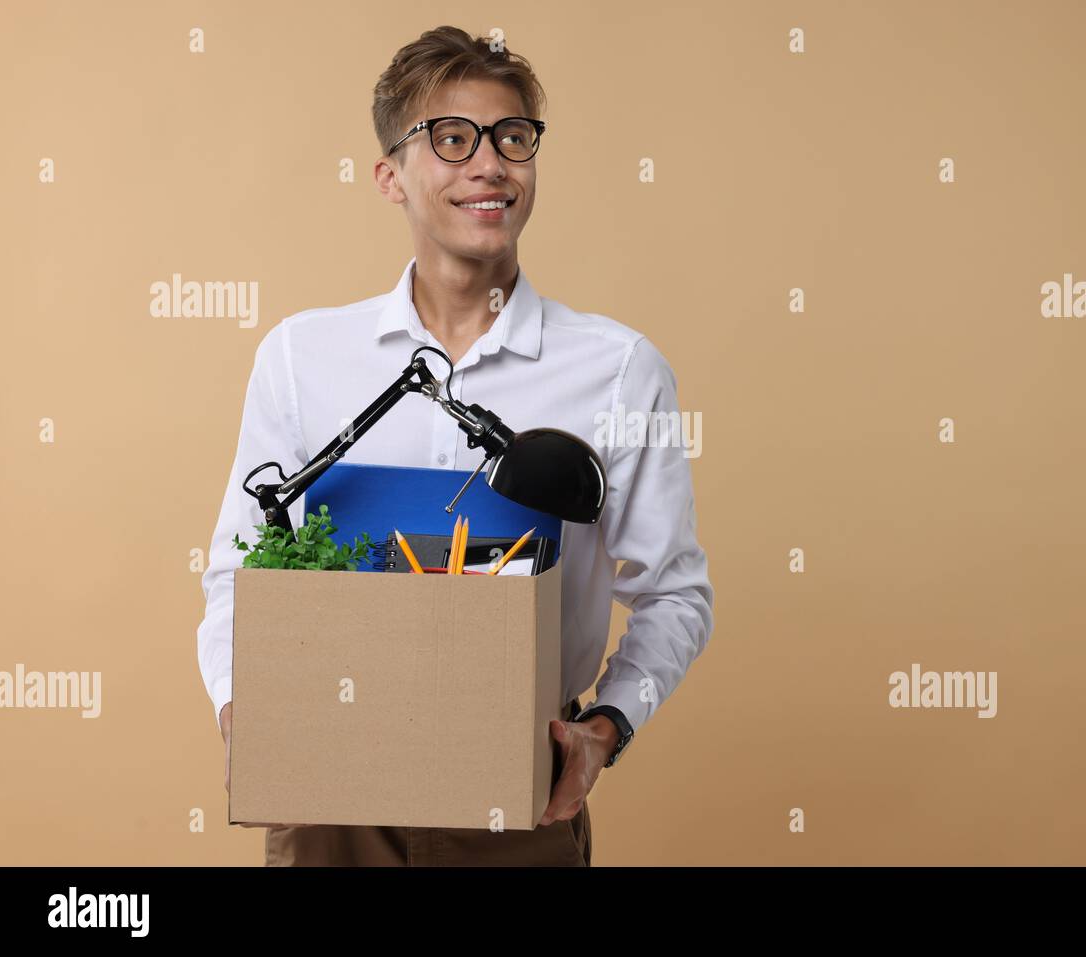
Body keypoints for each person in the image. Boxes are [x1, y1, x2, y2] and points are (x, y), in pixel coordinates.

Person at [195, 25, 715, 866]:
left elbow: (677, 594)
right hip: (331, 794)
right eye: (451, 138)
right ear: (390, 176)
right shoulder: (302, 357)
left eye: (512, 137)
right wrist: (241, 707)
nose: (489, 164)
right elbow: (233, 572)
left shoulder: (619, 371)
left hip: (521, 788)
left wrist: (603, 731)